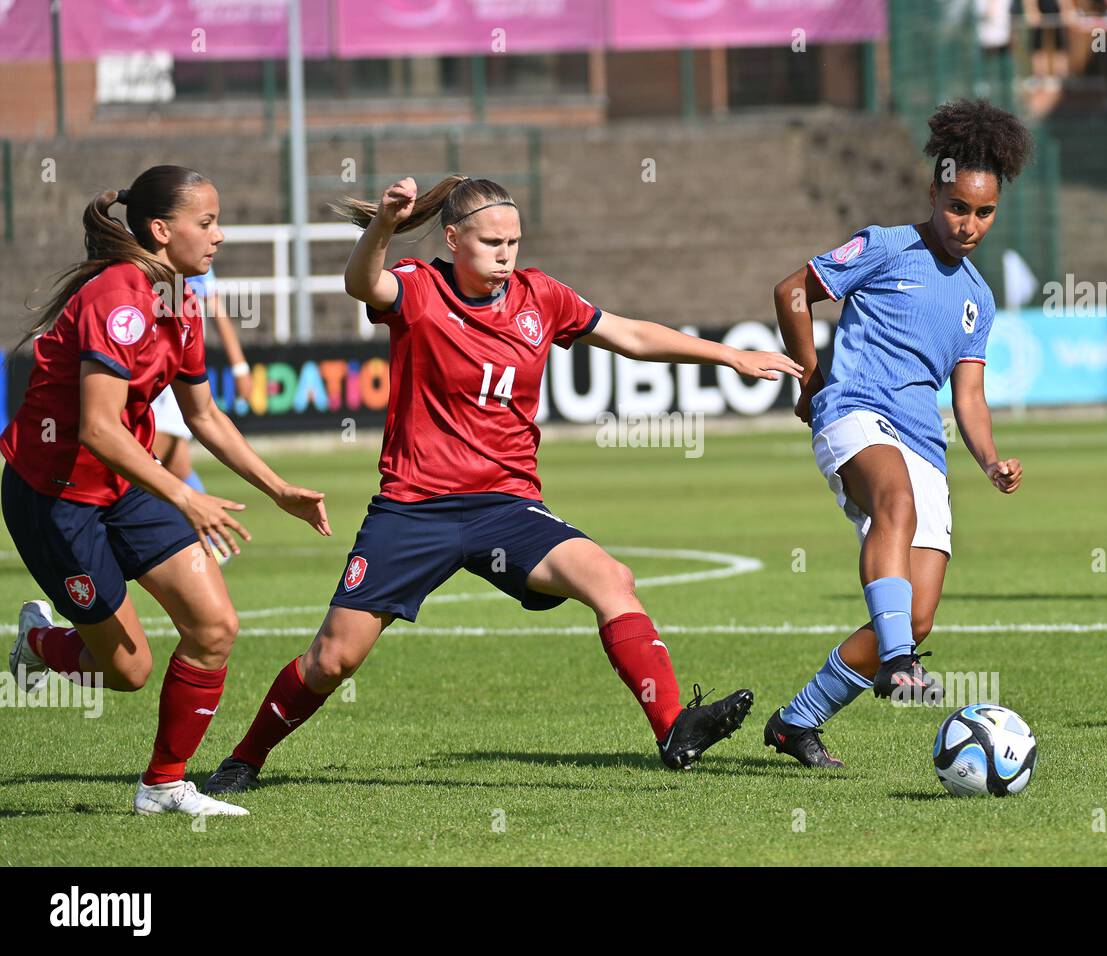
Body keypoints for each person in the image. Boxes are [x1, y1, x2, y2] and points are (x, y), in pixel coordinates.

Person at [202, 174, 801, 793]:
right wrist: (382, 224)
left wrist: (727, 354)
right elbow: (361, 282)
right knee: (333, 658)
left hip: (507, 508)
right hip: (414, 509)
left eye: (513, 241)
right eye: (491, 242)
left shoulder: (541, 296)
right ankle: (244, 759)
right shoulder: (417, 287)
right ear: (454, 237)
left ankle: (674, 726)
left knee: (612, 580)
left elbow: (631, 335)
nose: (506, 254)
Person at [3, 165, 331, 816]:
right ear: (161, 230)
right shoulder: (116, 299)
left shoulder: (179, 301)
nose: (219, 235)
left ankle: (163, 787)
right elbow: (98, 428)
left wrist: (276, 488)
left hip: (125, 484)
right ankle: (40, 642)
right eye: (205, 223)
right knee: (128, 673)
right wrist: (186, 496)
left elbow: (204, 415)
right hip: (55, 498)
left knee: (214, 626)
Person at [765, 100, 1030, 768]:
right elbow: (792, 289)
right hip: (853, 411)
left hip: (924, 441)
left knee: (915, 615)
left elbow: (968, 394)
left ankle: (796, 721)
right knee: (895, 506)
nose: (969, 225)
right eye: (958, 207)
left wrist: (991, 459)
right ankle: (901, 666)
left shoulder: (979, 298)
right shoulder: (886, 247)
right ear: (933, 192)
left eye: (985, 213)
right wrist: (809, 377)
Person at [150, 266, 253, 564]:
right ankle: (210, 537)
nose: (216, 236)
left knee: (164, 460)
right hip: (154, 367)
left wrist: (240, 367)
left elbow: (216, 308)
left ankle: (209, 539)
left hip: (176, 371)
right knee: (166, 462)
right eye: (206, 223)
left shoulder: (192, 261)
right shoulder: (145, 250)